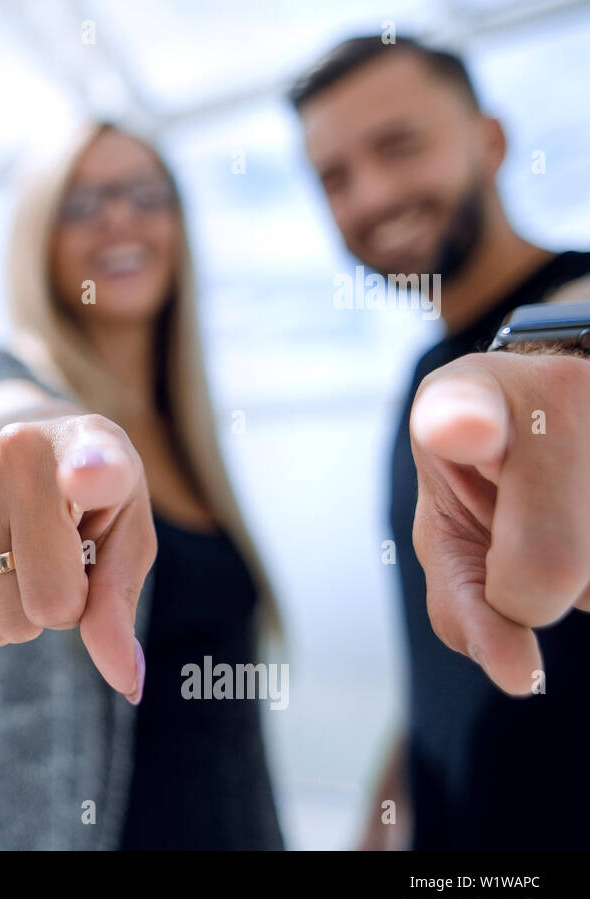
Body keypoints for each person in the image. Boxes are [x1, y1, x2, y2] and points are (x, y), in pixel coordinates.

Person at [0, 121, 284, 849]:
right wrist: (38, 438)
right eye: (82, 203)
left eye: (144, 194)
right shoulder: (4, 373)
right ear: (40, 240)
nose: (119, 217)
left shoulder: (192, 441)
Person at [290, 35, 590, 849]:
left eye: (399, 146)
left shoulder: (564, 314)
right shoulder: (426, 374)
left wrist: (548, 358)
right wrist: (385, 810)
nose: (374, 194)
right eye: (335, 177)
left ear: (490, 142)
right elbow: (445, 641)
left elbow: (573, 327)